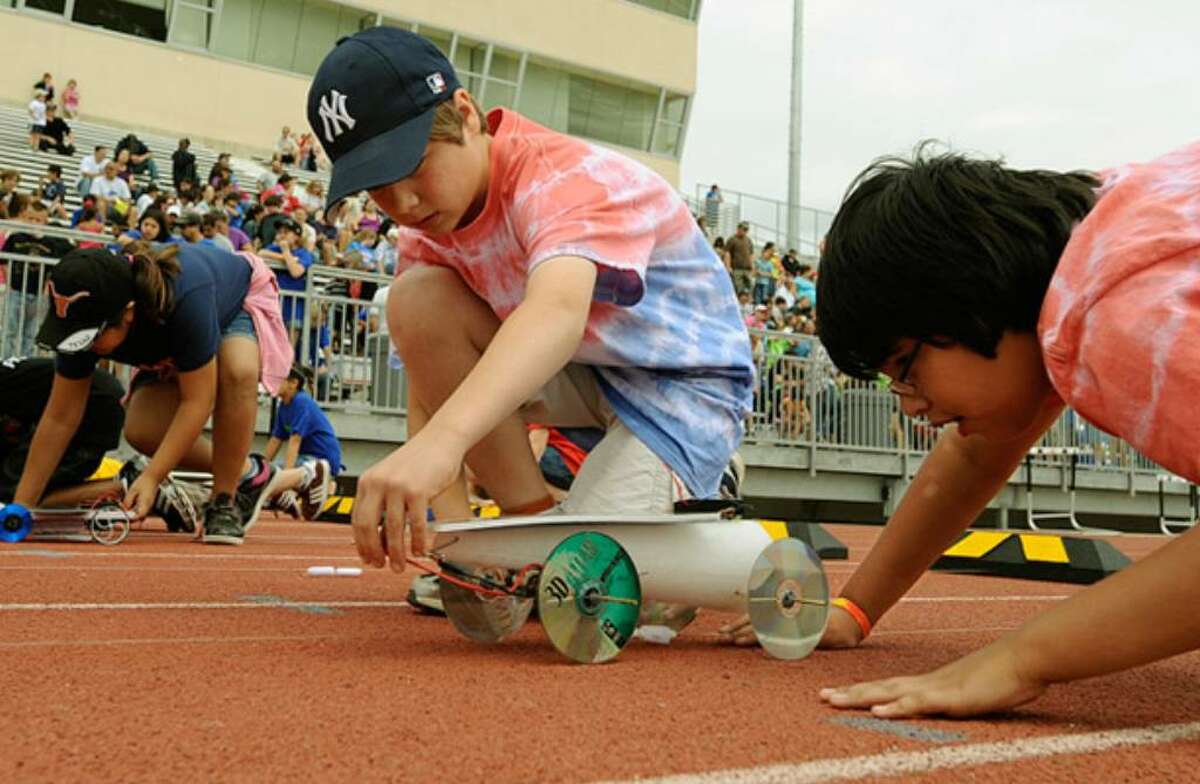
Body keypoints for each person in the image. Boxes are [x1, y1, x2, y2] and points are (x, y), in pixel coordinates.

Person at [733, 140, 1200, 719]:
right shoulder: (1094, 232)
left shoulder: (1123, 312)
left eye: (905, 368)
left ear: (967, 294)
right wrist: (854, 608)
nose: (909, 407)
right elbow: (973, 457)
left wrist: (1022, 658)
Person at [306, 29, 752, 573]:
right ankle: (532, 518)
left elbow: (557, 313)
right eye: (376, 186)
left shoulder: (561, 177)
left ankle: (706, 481)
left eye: (411, 166)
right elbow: (432, 384)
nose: (401, 202)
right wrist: (452, 539)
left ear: (466, 114)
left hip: (682, 389)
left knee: (595, 587)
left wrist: (442, 447)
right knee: (415, 299)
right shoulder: (428, 227)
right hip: (583, 373)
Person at [15, 242, 291, 545]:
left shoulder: (185, 297)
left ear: (128, 315)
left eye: (89, 338)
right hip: (169, 338)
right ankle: (250, 472)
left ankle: (224, 500)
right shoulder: (86, 321)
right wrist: (22, 507)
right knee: (142, 431)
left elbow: (198, 401)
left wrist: (152, 477)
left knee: (238, 372)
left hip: (233, 303)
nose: (82, 347)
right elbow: (59, 416)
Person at [263, 365, 338, 519]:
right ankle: (290, 502)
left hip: (320, 458)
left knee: (277, 475)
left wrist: (286, 478)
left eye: (277, 380)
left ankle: (316, 484)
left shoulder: (301, 402)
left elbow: (295, 441)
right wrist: (261, 468)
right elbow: (276, 440)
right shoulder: (284, 406)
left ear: (293, 383)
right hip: (303, 458)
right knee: (268, 474)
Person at [2, 199, 74, 358]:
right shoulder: (16, 237)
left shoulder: (50, 242)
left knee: (31, 332)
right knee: (10, 329)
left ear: (45, 221)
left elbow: (51, 271)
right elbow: (4, 261)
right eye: (30, 218)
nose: (33, 223)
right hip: (15, 291)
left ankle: (26, 361)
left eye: (38, 220)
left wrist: (45, 292)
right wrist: (9, 282)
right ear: (23, 218)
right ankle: (6, 361)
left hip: (37, 293)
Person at [258, 218, 313, 344]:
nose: (281, 235)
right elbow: (261, 253)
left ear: (296, 236)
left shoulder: (304, 253)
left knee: (289, 343)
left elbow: (296, 272)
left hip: (295, 304)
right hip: (275, 302)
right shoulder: (274, 248)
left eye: (286, 232)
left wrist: (286, 252)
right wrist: (284, 257)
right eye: (280, 232)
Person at [725, 221, 754, 295]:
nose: (745, 231)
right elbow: (727, 253)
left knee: (750, 286)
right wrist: (728, 267)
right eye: (743, 229)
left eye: (746, 230)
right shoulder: (732, 239)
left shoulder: (748, 240)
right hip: (737, 269)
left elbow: (751, 254)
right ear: (738, 228)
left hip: (747, 269)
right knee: (738, 288)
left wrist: (752, 266)